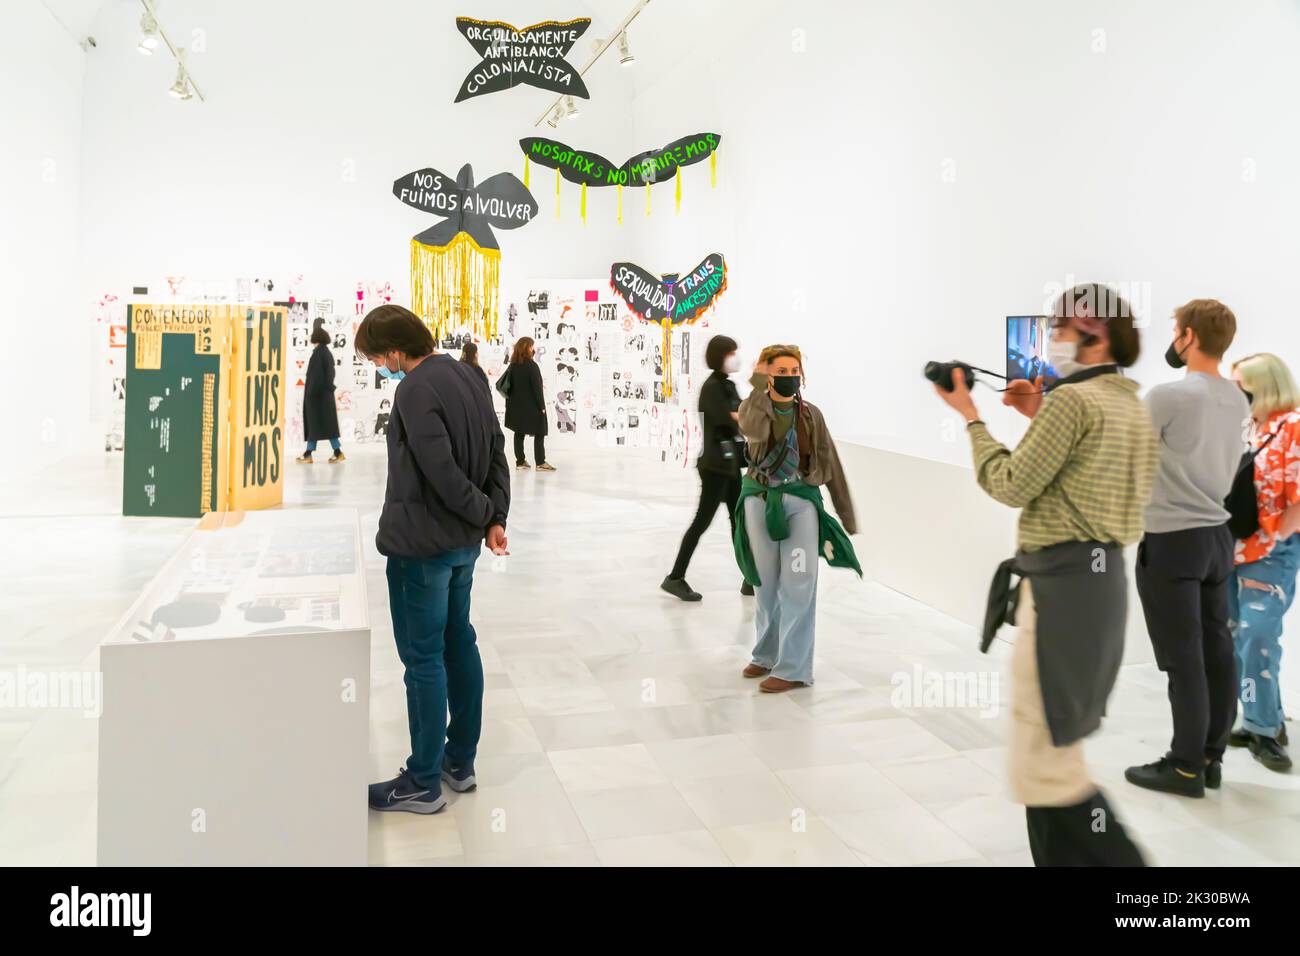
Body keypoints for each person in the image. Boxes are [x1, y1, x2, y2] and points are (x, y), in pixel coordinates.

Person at [937, 283, 1157, 866]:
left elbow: (1010, 484)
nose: (1053, 336)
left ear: (1097, 332)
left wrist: (971, 418)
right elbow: (1085, 469)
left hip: (1062, 591)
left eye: (1061, 325)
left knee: (1048, 766)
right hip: (1100, 584)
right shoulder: (1130, 402)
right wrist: (1037, 410)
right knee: (1051, 753)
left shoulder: (1072, 403)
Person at [355, 305, 510, 814]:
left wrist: (483, 511)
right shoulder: (468, 375)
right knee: (457, 641)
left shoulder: (415, 388)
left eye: (377, 357)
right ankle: (458, 761)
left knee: (423, 660)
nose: (380, 366)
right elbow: (495, 451)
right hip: (463, 545)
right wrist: (493, 517)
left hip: (422, 546)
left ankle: (422, 780)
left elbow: (440, 471)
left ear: (395, 350)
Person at [1125, 300, 1250, 798]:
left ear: (1190, 337)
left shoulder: (1168, 396)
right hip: (1218, 540)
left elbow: (1128, 454)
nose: (1173, 339)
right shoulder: (1238, 398)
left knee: (1184, 659)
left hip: (1173, 540)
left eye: (1176, 331)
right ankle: (1209, 758)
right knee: (1217, 651)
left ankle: (1183, 766)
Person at [734, 344, 859, 693]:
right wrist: (759, 382)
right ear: (767, 376)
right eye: (780, 373)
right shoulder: (754, 409)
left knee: (799, 583)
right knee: (764, 582)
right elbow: (752, 429)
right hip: (759, 500)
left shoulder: (812, 415)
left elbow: (829, 462)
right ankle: (765, 655)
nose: (789, 379)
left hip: (801, 502)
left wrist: (845, 513)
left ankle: (793, 669)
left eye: (794, 372)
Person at [1227, 352, 1300, 772]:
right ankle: (1261, 718)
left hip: (1270, 552)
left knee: (1258, 637)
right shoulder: (1249, 427)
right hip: (1234, 546)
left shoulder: (1293, 426)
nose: (1236, 392)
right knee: (1240, 637)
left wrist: (1274, 539)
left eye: (1243, 385)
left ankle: (1264, 731)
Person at [662, 335, 752, 601]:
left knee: (739, 522)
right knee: (702, 522)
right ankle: (675, 577)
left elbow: (741, 415)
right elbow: (734, 418)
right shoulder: (712, 388)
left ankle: (750, 578)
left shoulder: (728, 386)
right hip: (715, 466)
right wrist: (746, 415)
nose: (736, 357)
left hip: (731, 464)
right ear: (720, 356)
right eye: (731, 353)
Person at [503, 337, 554, 472]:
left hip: (515, 406)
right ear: (527, 348)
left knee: (519, 432)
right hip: (532, 406)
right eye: (532, 346)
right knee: (540, 431)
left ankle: (520, 462)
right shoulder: (532, 366)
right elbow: (537, 389)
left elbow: (507, 387)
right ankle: (540, 462)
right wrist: (542, 407)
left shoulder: (513, 365)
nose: (533, 349)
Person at [296, 325, 344, 463]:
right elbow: (329, 374)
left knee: (316, 425)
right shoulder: (325, 352)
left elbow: (316, 376)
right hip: (323, 396)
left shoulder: (318, 353)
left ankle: (309, 453)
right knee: (322, 426)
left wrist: (311, 394)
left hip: (317, 397)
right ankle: (330, 452)